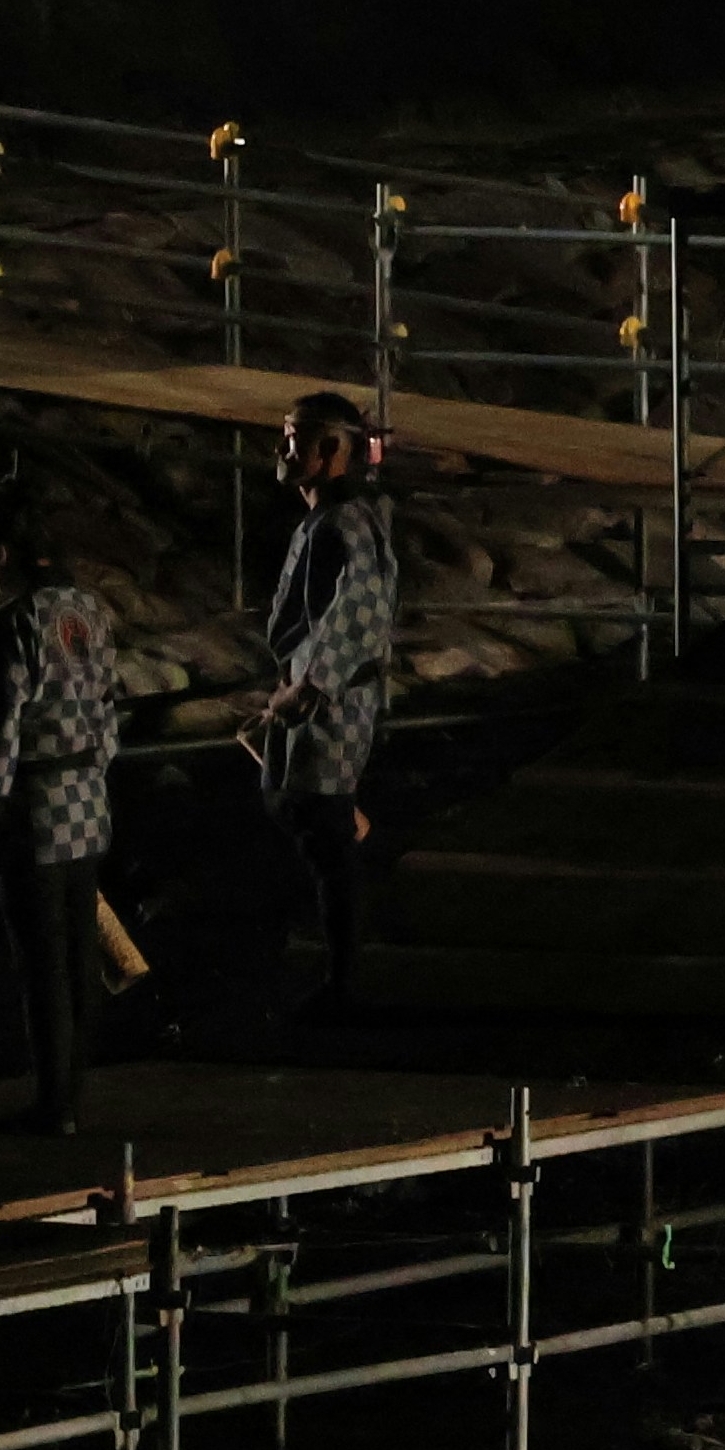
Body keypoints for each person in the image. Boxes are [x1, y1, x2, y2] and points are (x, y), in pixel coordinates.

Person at [0, 502, 123, 1134]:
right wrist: (95, 770)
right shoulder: (93, 611)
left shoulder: (20, 619)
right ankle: (73, 1094)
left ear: (4, 552)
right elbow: (108, 707)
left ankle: (53, 1106)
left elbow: (2, 717)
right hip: (88, 799)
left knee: (42, 959)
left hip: (35, 803)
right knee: (79, 954)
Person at [254, 392, 396, 1002]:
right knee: (312, 820)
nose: (285, 452)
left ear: (331, 450)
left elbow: (356, 614)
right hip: (316, 694)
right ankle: (333, 964)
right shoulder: (339, 519)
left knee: (324, 830)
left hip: (329, 705)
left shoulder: (345, 524)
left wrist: (309, 685)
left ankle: (342, 976)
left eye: (295, 441)